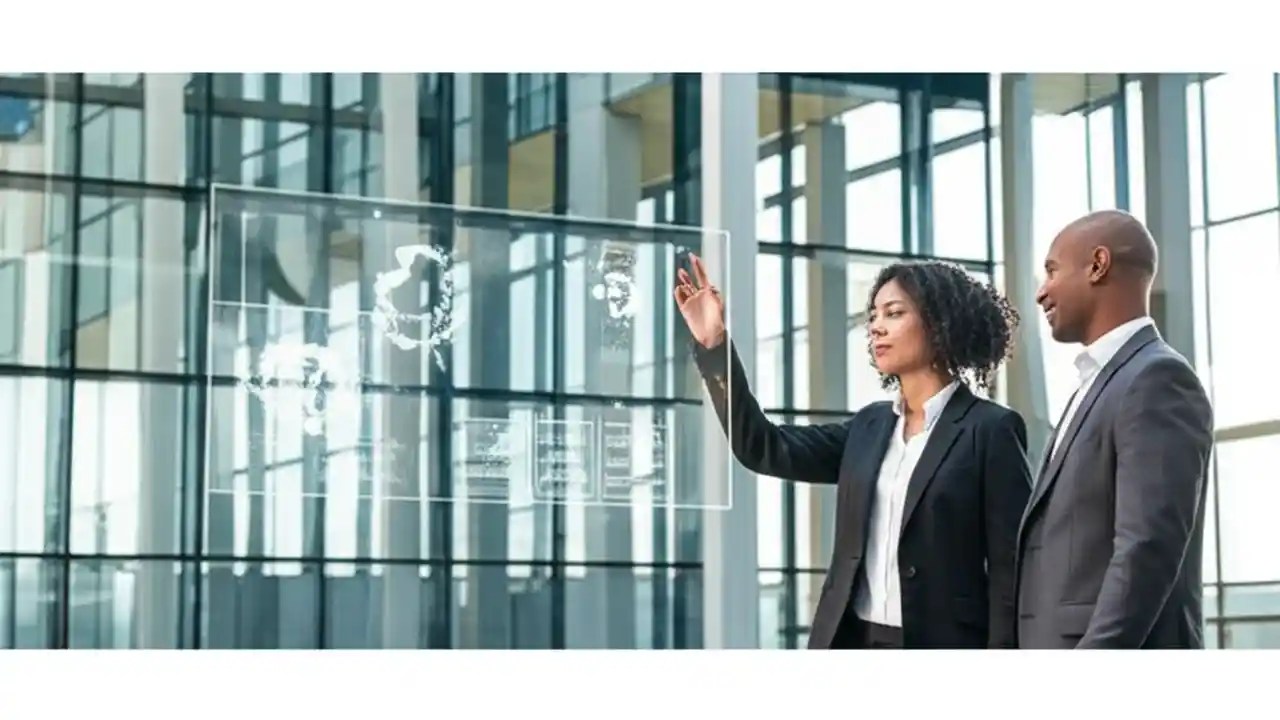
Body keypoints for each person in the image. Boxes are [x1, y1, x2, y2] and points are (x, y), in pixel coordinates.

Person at [674, 253, 1032, 649]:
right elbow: (762, 447)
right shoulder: (870, 427)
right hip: (852, 641)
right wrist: (714, 345)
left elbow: (1011, 571)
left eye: (893, 313)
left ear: (941, 323)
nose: (876, 327)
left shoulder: (990, 429)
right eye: (874, 316)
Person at [1016, 210, 1215, 649]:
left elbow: (1146, 550)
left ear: (1097, 264)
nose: (1041, 293)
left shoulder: (1157, 379)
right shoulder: (1098, 383)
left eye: (1051, 271)